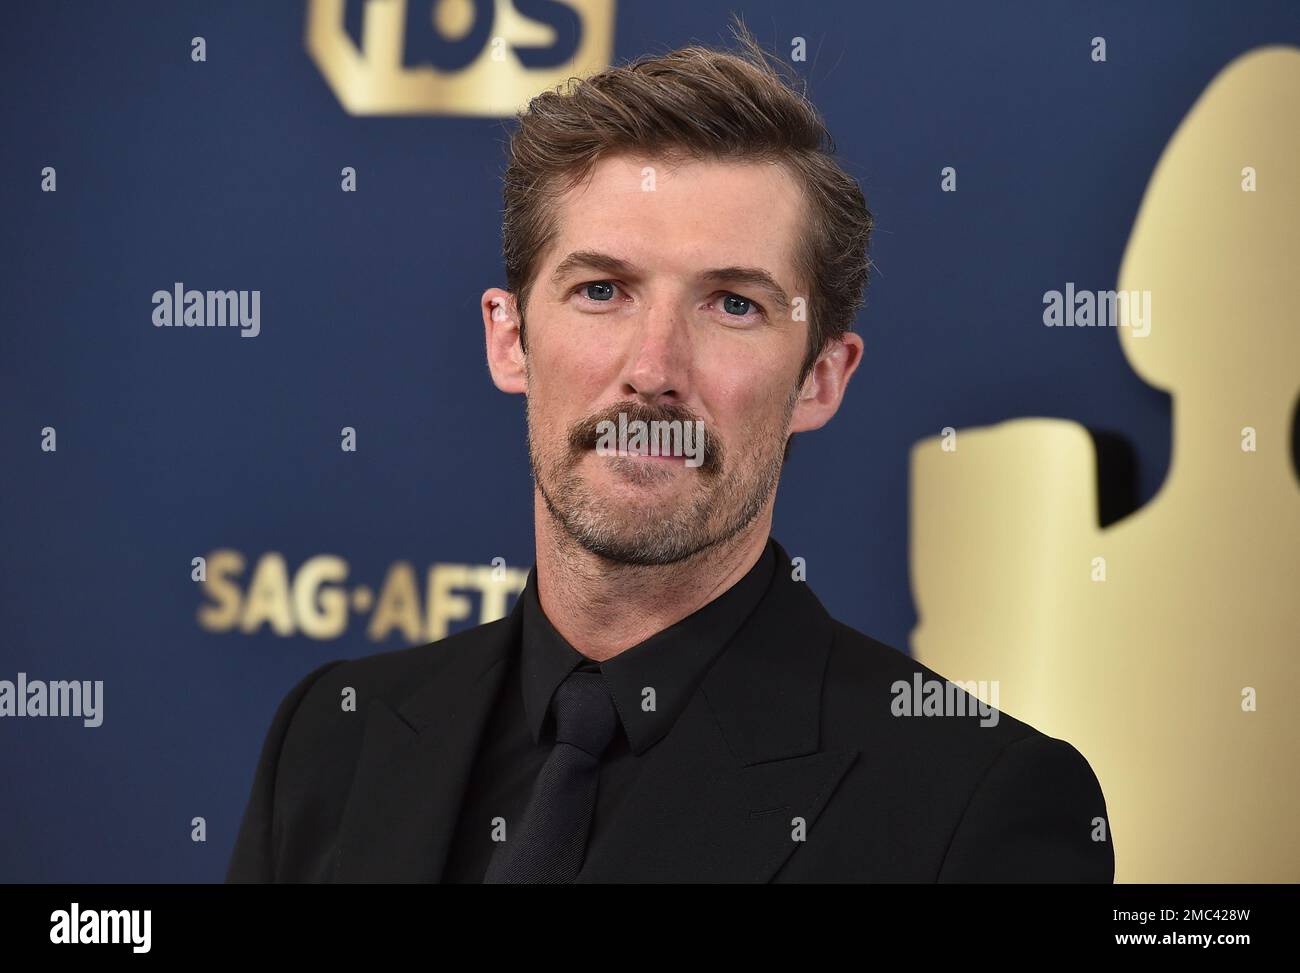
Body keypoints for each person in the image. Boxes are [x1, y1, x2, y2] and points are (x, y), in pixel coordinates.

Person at [226, 23, 1113, 884]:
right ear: (510, 340)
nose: (653, 371)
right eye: (601, 289)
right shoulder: (333, 736)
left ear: (821, 378)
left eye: (733, 305)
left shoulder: (975, 805)